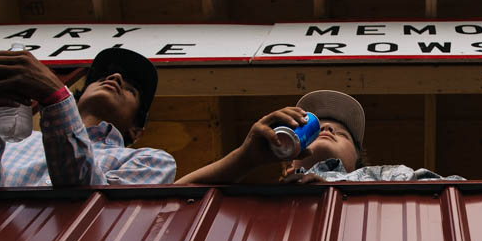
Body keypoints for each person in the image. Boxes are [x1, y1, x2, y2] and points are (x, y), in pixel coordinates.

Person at [0, 47, 176, 188]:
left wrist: (56, 97)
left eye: (130, 89)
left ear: (137, 130)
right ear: (76, 101)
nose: (115, 77)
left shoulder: (152, 161)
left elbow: (100, 212)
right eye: (99, 79)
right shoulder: (14, 142)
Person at [176, 89, 462, 184]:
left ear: (358, 159)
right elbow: (167, 209)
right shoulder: (269, 198)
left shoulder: (388, 176)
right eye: (313, 128)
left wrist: (346, 195)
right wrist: (243, 159)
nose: (326, 128)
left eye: (341, 131)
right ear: (288, 163)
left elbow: (453, 193)